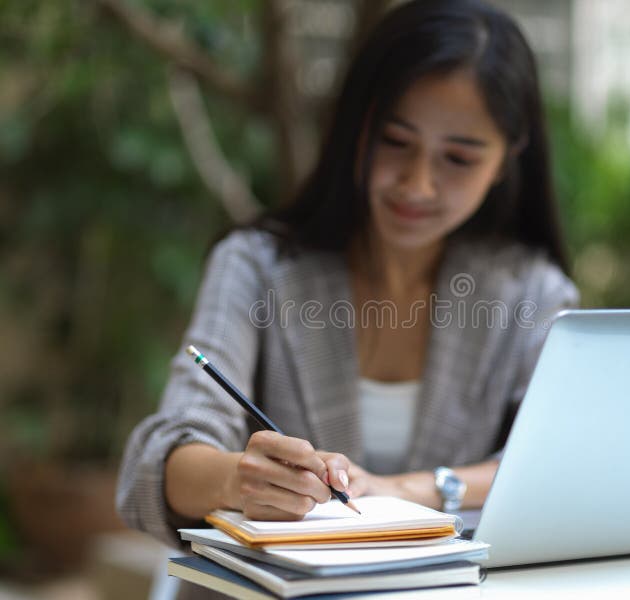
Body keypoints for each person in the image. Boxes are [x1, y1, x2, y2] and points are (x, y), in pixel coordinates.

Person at [117, 0, 578, 558]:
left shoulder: (531, 291)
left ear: (506, 160)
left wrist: (411, 488)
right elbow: (157, 461)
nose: (418, 184)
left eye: (458, 158)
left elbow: (562, 463)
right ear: (354, 126)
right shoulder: (257, 267)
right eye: (395, 142)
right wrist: (239, 479)